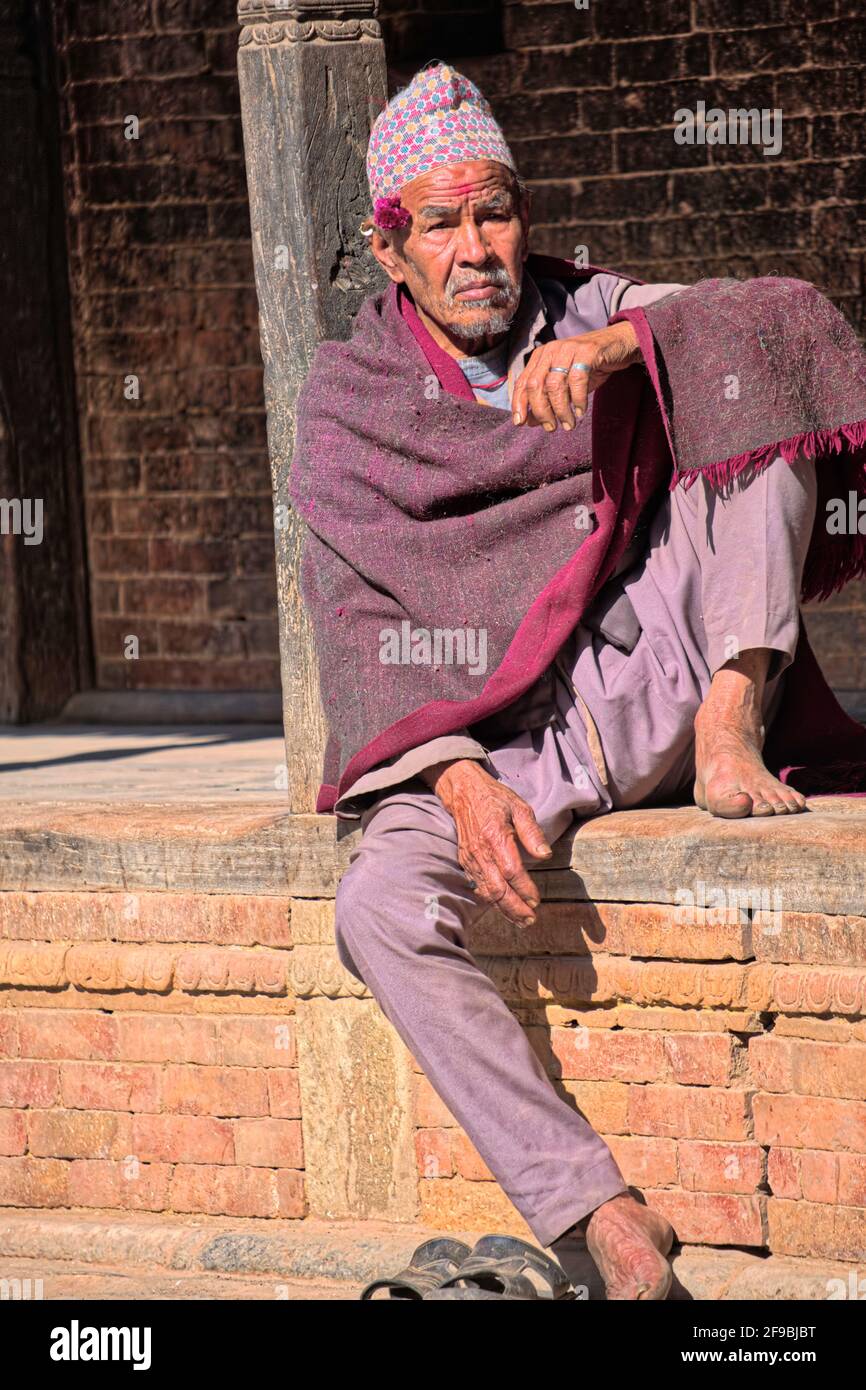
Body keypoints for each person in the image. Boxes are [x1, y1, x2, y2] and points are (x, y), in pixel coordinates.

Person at [289, 63, 866, 1299]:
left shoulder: (584, 305)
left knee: (735, 380)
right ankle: (596, 1212)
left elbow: (789, 316)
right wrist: (443, 770)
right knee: (376, 906)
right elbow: (348, 612)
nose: (475, 248)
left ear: (525, 218)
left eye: (493, 212)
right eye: (438, 225)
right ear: (393, 255)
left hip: (659, 675)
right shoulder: (350, 405)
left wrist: (624, 349)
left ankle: (732, 725)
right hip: (493, 744)